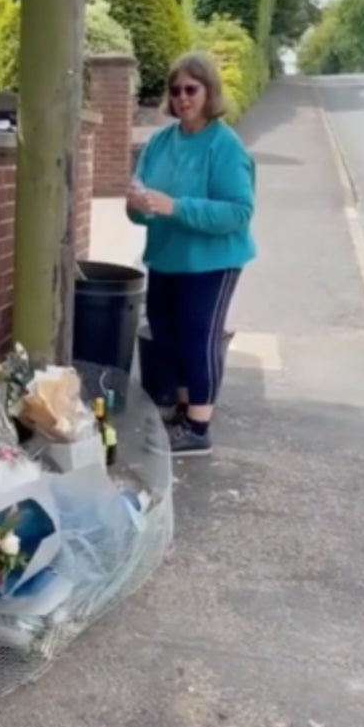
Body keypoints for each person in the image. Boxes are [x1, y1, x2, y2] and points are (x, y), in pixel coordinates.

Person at [126, 52, 258, 457]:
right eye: (176, 90)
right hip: (167, 256)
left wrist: (176, 207)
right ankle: (184, 412)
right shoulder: (160, 143)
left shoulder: (224, 145)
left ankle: (199, 427)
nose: (182, 98)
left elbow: (239, 211)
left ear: (208, 92)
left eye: (191, 89)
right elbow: (140, 209)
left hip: (213, 262)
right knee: (169, 337)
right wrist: (137, 204)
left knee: (199, 338)